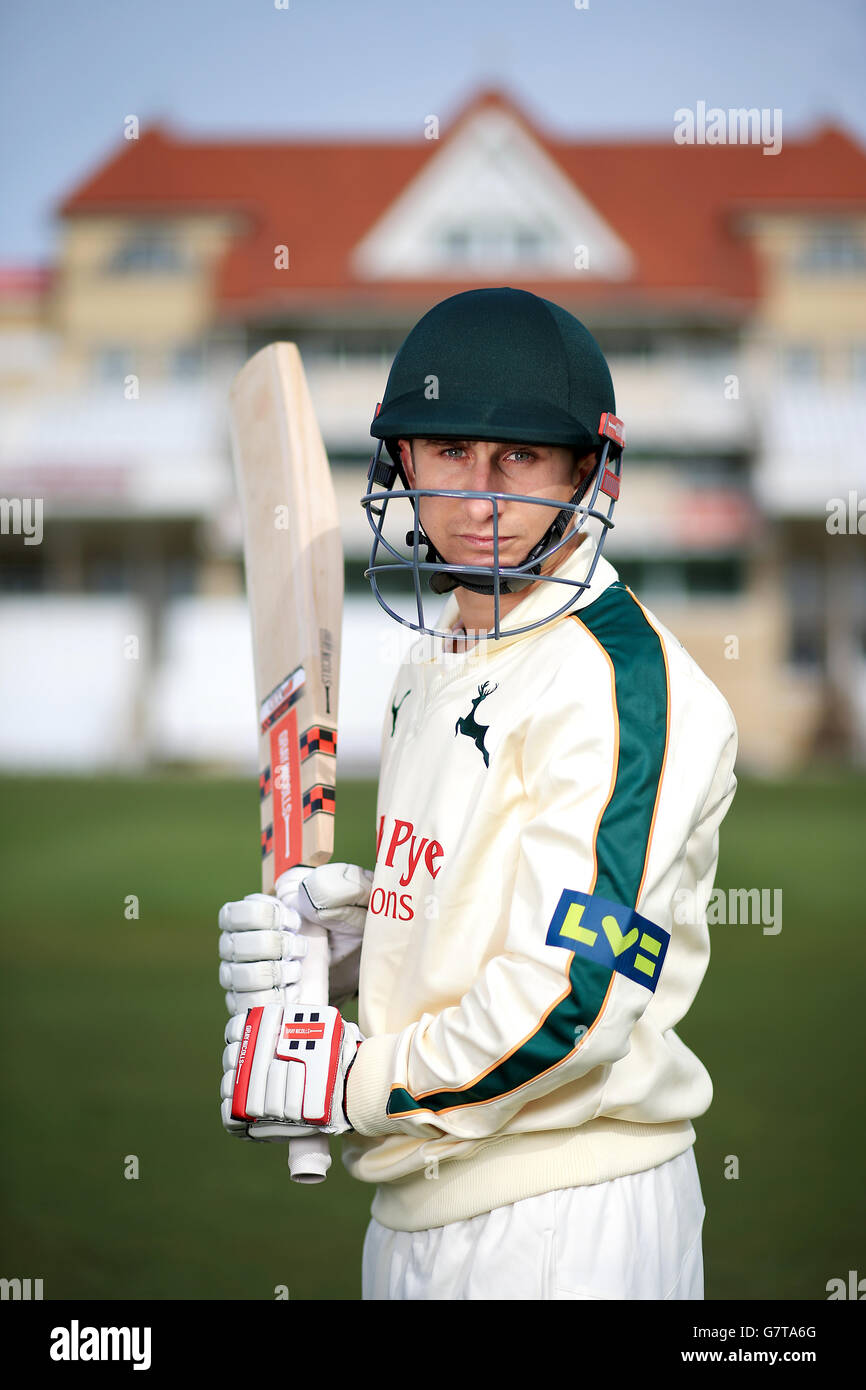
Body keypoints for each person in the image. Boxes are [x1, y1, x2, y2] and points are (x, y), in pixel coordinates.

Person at [219, 287, 739, 1302]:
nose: (480, 499)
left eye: (519, 459)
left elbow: (575, 997)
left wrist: (351, 1080)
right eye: (448, 451)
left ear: (585, 472)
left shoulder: (620, 686)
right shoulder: (436, 659)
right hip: (415, 1200)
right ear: (399, 464)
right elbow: (486, 908)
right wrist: (356, 941)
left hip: (565, 1222)